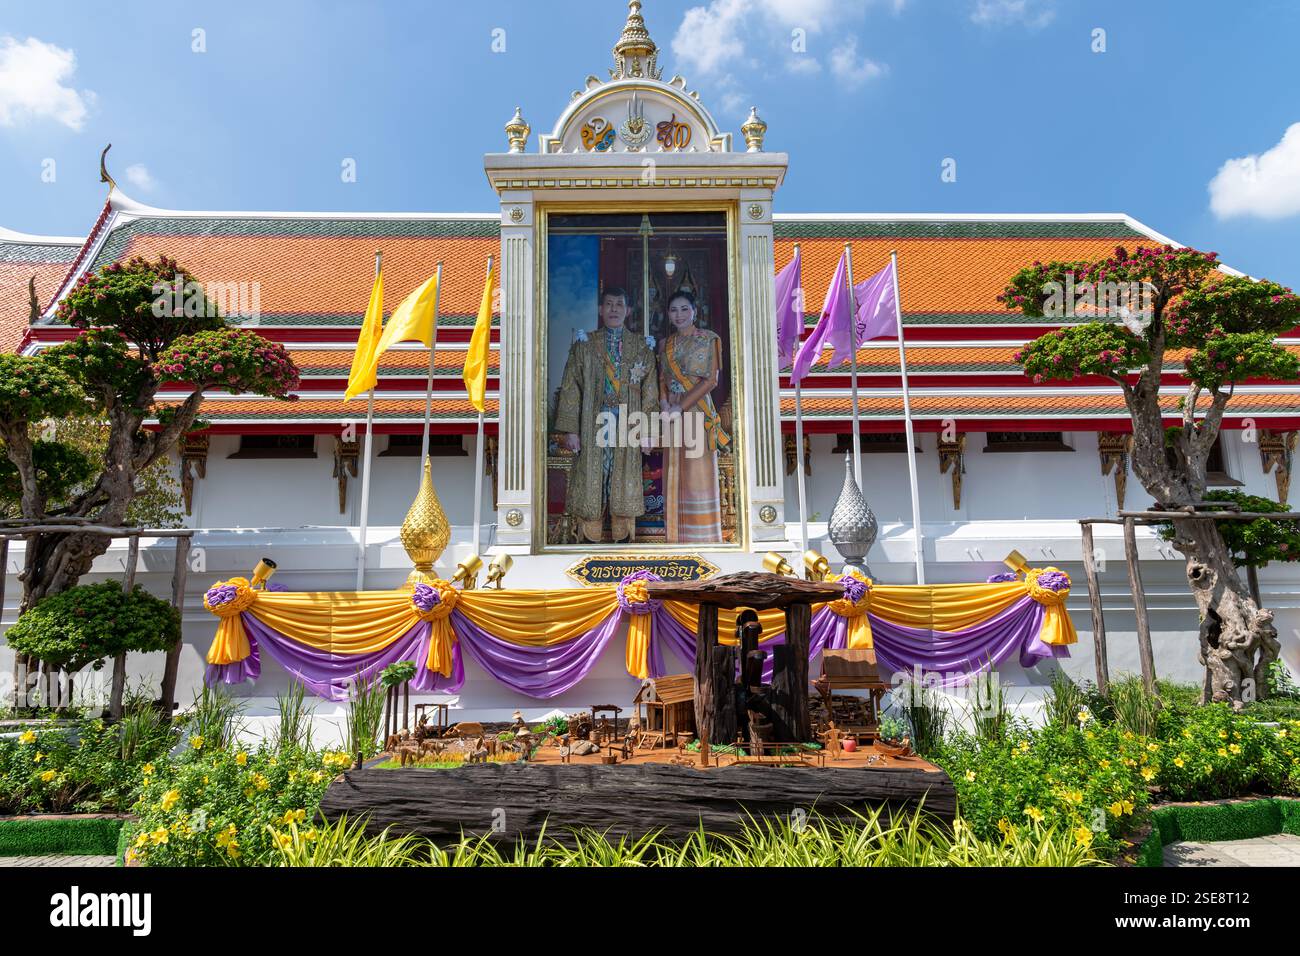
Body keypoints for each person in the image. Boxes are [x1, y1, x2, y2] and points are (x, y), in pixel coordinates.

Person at [554, 287, 658, 544]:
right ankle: (589, 539)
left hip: (628, 423)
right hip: (593, 422)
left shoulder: (641, 347)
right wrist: (571, 429)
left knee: (624, 477)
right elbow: (570, 387)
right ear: (600, 310)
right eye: (609, 304)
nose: (614, 309)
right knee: (592, 477)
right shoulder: (585, 345)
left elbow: (651, 392)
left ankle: (623, 540)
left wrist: (647, 431)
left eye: (619, 304)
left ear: (628, 311)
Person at [658, 289, 727, 543]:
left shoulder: (710, 339)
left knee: (698, 472)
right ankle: (675, 537)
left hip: (696, 409)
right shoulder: (665, 345)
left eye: (684, 309)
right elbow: (662, 379)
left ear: (695, 311)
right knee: (674, 471)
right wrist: (665, 403)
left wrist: (681, 406)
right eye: (674, 310)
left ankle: (704, 537)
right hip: (672, 412)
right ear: (668, 313)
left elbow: (711, 380)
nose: (679, 314)